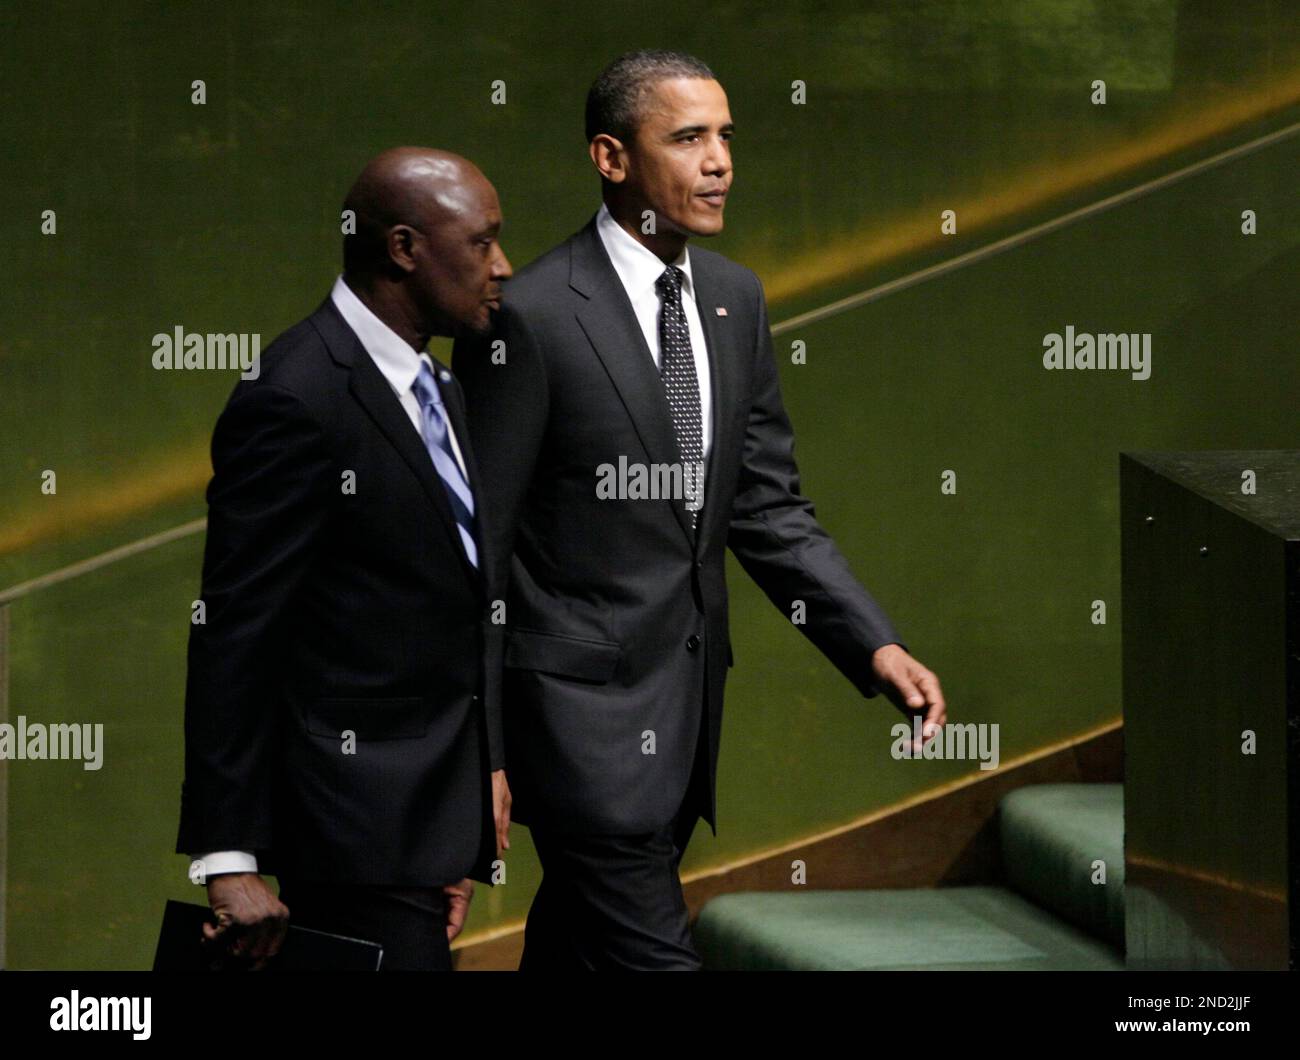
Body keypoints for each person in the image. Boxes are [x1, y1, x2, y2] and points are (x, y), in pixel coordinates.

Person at [453, 50, 947, 971]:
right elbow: (479, 548)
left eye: (725, 136)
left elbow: (765, 505)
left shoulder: (735, 301)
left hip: (684, 720)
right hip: (576, 730)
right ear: (611, 158)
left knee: (576, 950)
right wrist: (478, 753)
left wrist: (871, 642)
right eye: (687, 138)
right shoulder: (528, 317)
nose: (719, 160)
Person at [176, 147, 514, 971]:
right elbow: (235, 633)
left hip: (423, 829)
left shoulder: (440, 387)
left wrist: (467, 808)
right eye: (481, 243)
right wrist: (228, 857)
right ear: (404, 249)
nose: (502, 266)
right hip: (345, 834)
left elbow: (449, 607)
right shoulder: (294, 396)